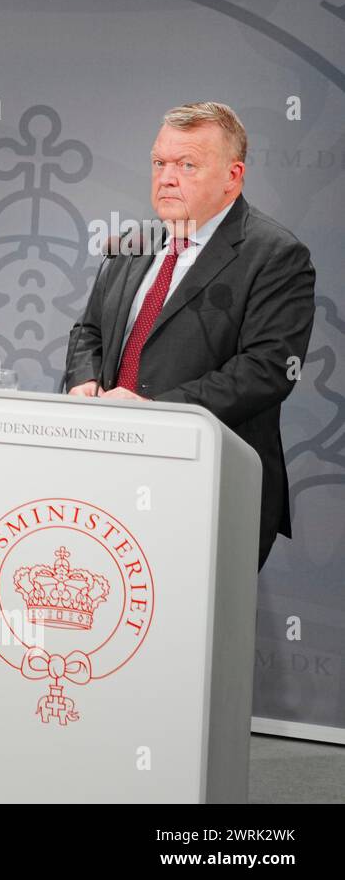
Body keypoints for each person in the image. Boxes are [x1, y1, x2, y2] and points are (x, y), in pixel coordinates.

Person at [66, 101, 315, 569]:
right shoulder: (132, 243)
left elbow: (267, 370)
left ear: (232, 176)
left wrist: (158, 412)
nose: (166, 177)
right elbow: (88, 330)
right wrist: (82, 378)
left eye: (187, 165)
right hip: (110, 475)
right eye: (159, 163)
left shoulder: (275, 255)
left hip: (209, 485)